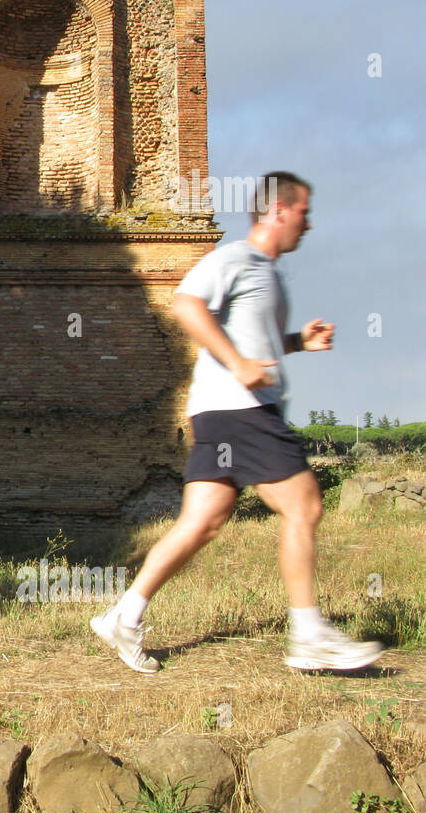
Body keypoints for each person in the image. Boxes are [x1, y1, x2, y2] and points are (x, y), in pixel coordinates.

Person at [91, 172, 385, 673]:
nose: (308, 225)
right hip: (241, 409)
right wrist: (239, 364)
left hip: (220, 410)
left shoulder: (266, 272)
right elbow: (186, 304)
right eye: (303, 212)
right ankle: (308, 634)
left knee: (201, 523)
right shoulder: (236, 258)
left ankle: (124, 613)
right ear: (277, 211)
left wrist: (295, 341)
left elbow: (256, 343)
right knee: (305, 506)